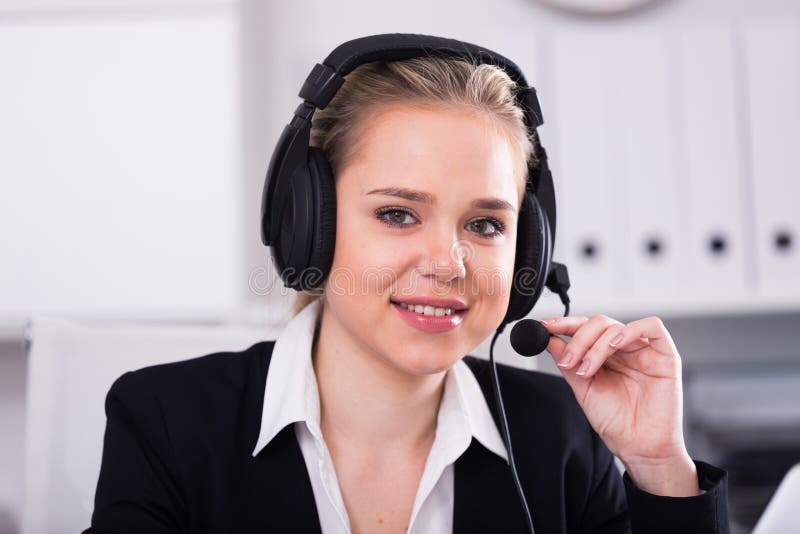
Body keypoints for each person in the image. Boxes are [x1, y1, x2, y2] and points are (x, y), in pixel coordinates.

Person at [85, 36, 730, 533]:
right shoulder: (166, 421)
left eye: (485, 224)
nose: (448, 264)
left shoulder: (563, 434)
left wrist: (657, 467)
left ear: (529, 250)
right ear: (308, 225)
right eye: (397, 214)